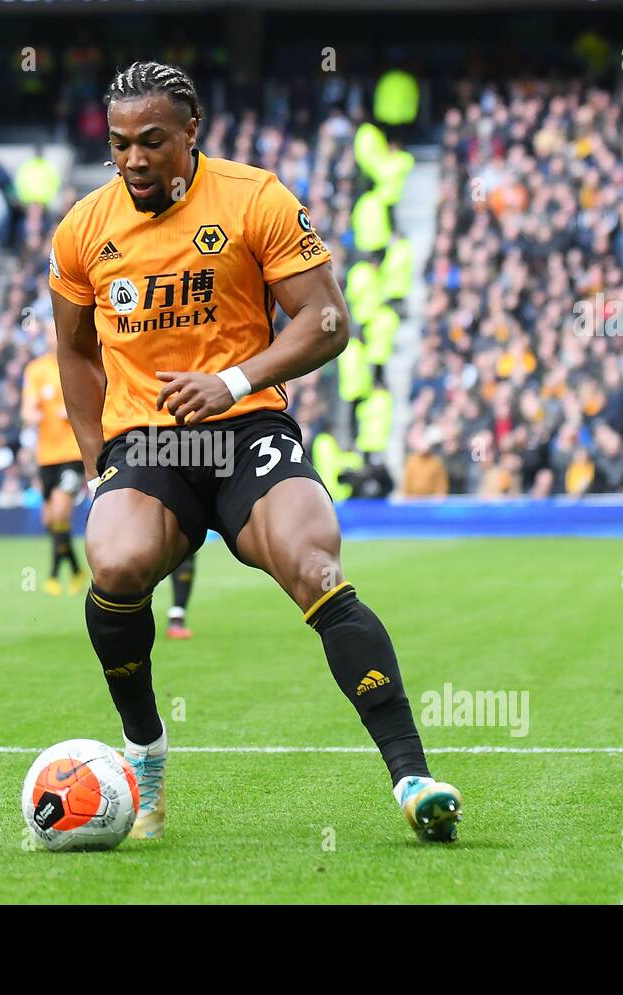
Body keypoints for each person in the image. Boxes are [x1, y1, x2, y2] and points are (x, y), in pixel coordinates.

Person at [48, 61, 462, 843]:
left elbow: (328, 321)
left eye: (152, 142)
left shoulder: (255, 199)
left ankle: (411, 775)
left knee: (317, 564)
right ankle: (145, 751)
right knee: (115, 562)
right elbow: (73, 349)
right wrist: (97, 456)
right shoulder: (82, 229)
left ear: (191, 133)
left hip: (245, 429)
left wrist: (233, 379)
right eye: (119, 144)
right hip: (150, 440)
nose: (134, 159)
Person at [21, 323, 88, 596]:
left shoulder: (79, 365)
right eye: (50, 334)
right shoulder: (36, 370)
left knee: (61, 511)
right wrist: (32, 416)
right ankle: (74, 570)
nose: (55, 338)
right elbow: (27, 408)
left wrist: (72, 410)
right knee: (50, 520)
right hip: (46, 455)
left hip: (73, 453)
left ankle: (51, 574)